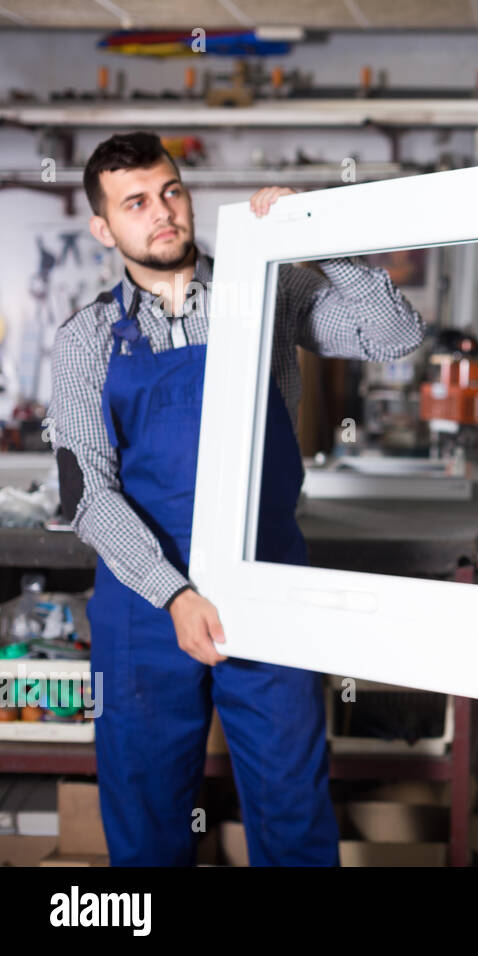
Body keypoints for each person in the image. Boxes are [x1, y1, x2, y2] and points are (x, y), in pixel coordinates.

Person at [49, 131, 426, 866]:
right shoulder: (87, 339)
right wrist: (175, 594)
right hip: (144, 604)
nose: (162, 213)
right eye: (135, 203)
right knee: (148, 814)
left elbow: (393, 335)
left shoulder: (268, 287)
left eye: (170, 192)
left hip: (266, 576)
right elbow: (89, 495)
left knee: (291, 805)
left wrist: (320, 234)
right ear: (103, 228)